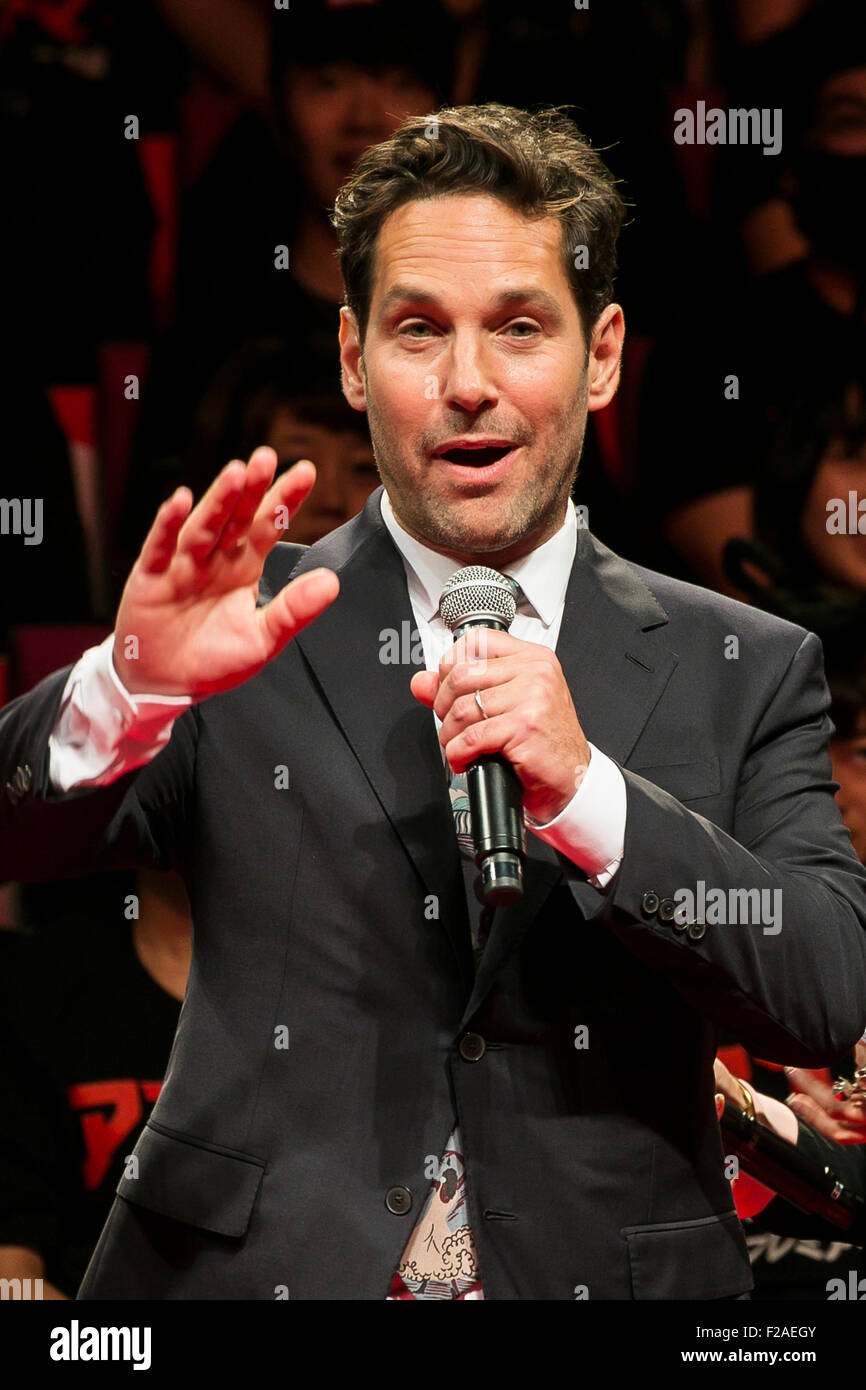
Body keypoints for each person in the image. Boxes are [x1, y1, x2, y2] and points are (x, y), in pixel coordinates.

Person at [2, 103, 866, 1302]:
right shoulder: (236, 621)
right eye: (419, 330)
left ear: (602, 353)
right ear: (354, 357)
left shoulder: (745, 660)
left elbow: (826, 989)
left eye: (519, 327)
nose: (468, 384)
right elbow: (21, 840)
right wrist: (128, 684)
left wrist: (590, 796)